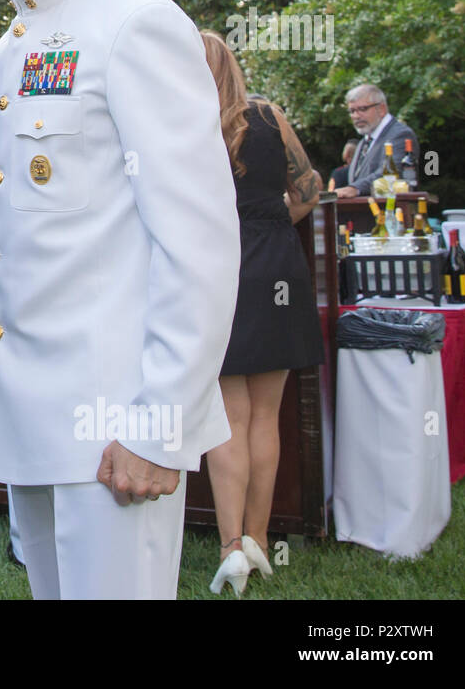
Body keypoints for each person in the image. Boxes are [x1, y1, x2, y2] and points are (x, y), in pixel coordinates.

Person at [0, 0, 239, 599]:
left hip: (119, 417)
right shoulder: (11, 48)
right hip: (34, 416)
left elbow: (199, 242)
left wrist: (159, 422)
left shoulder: (134, 23)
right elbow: (7, 208)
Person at [201, 32, 324, 596]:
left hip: (220, 265)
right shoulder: (269, 114)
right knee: (267, 416)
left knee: (228, 415)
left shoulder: (186, 122)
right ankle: (256, 537)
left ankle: (231, 548)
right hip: (277, 262)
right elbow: (310, 188)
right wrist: (273, 218)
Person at [334, 84, 419, 197]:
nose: (356, 116)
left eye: (362, 109)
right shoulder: (363, 142)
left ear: (381, 109)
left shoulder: (400, 135)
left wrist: (355, 189)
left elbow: (392, 174)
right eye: (352, 111)